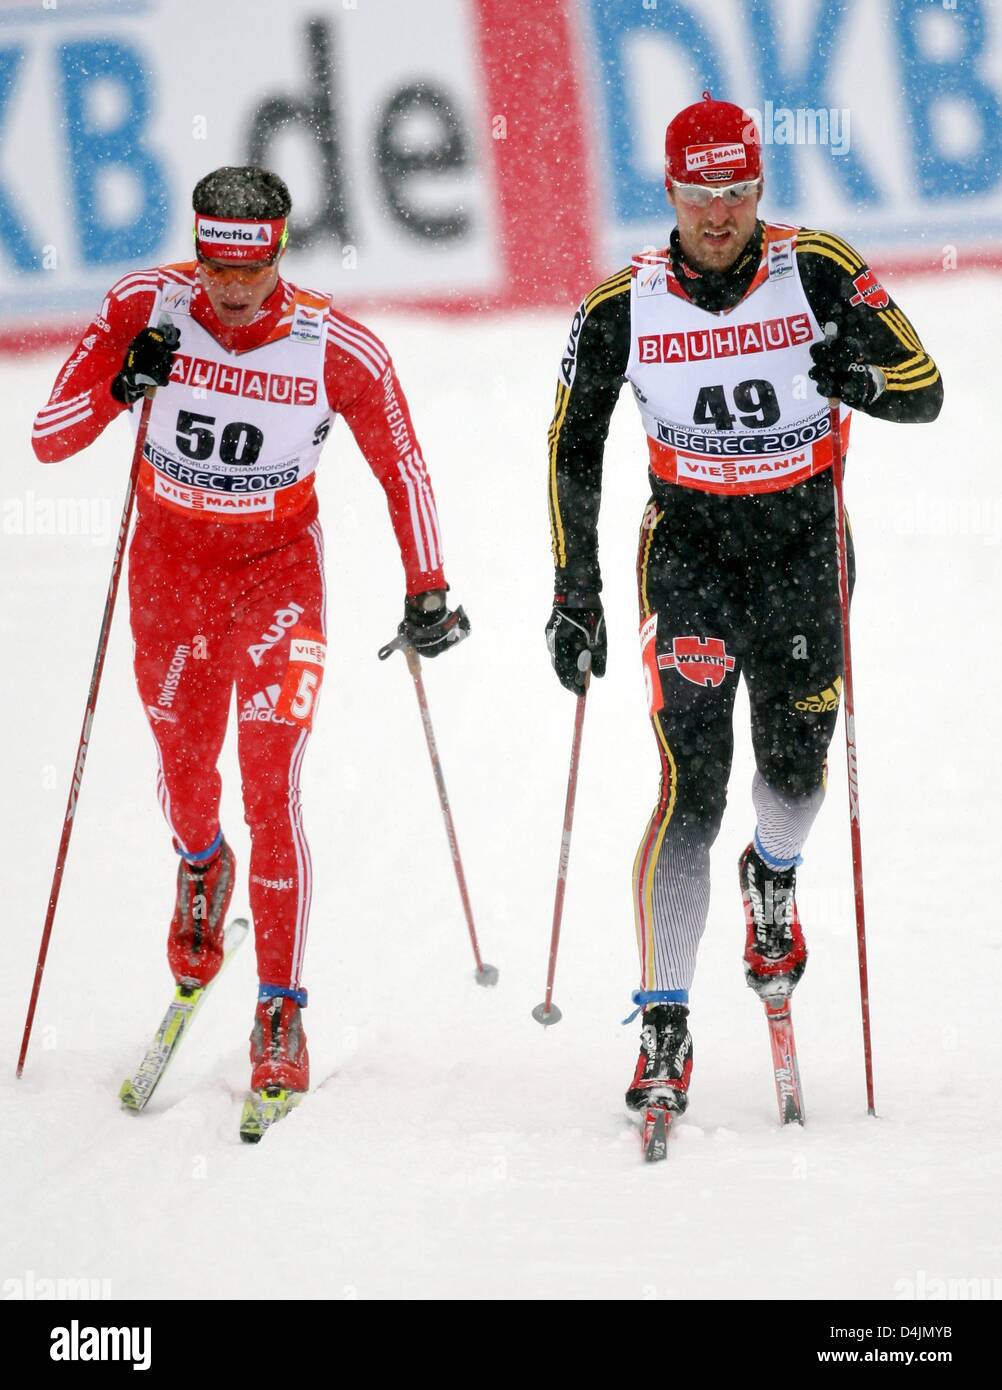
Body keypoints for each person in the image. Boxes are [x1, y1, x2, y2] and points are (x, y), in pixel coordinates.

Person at [33, 166, 467, 1122]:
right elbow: (47, 437)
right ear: (197, 250)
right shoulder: (147, 304)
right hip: (168, 575)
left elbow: (404, 465)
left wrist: (427, 585)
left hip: (277, 577)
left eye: (251, 268)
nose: (229, 292)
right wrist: (120, 382)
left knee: (273, 783)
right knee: (187, 768)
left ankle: (280, 1008)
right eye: (214, 266)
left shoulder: (332, 343)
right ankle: (201, 861)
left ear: (279, 250)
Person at [544, 94, 942, 1119]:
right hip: (690, 555)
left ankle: (774, 873)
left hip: (807, 544)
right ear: (667, 193)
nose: (715, 215)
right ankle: (664, 1022)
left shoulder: (816, 268)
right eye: (695, 194)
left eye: (732, 193)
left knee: (796, 778)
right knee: (693, 782)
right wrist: (574, 591)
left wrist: (860, 380)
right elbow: (572, 448)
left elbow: (925, 385)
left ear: (759, 189)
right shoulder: (619, 306)